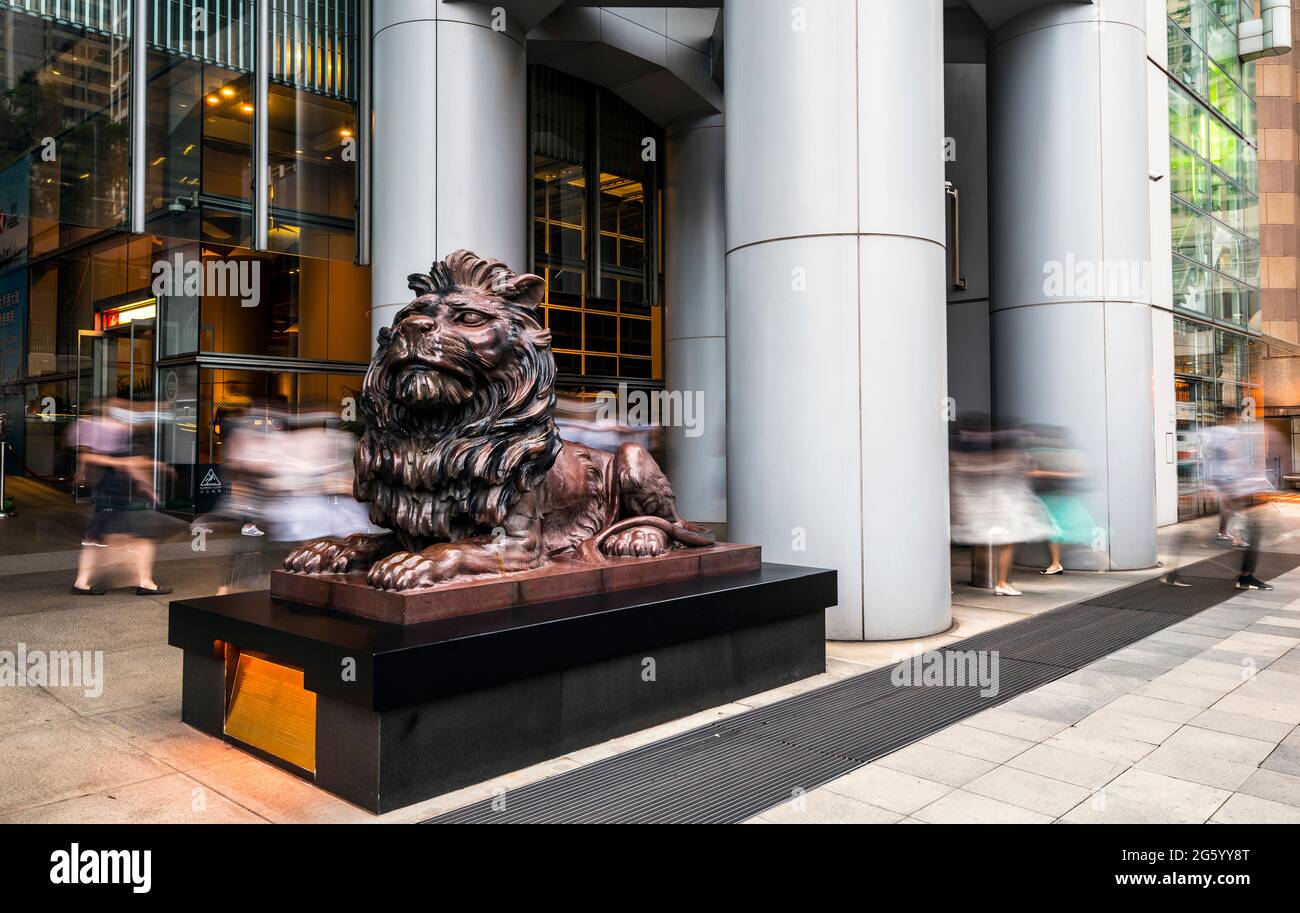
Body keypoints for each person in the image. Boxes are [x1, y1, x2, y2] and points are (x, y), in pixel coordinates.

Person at [71, 397, 172, 596]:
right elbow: (124, 460)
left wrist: (146, 481)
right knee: (140, 540)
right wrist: (146, 473)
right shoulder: (114, 430)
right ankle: (144, 581)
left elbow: (129, 461)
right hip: (118, 493)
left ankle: (82, 582)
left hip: (113, 492)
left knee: (96, 540)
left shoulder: (117, 430)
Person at [950, 418, 1055, 596]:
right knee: (1005, 543)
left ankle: (998, 583)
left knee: (986, 542)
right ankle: (1002, 583)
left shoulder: (969, 454)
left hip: (983, 506)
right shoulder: (1011, 455)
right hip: (1003, 505)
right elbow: (1026, 470)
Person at [1025, 425, 1095, 576]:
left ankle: (1059, 562)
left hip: (1060, 494)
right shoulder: (1042, 452)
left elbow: (1082, 473)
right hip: (1053, 494)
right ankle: (1056, 563)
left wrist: (1043, 473)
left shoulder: (1069, 454)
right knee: (1056, 529)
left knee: (1071, 528)